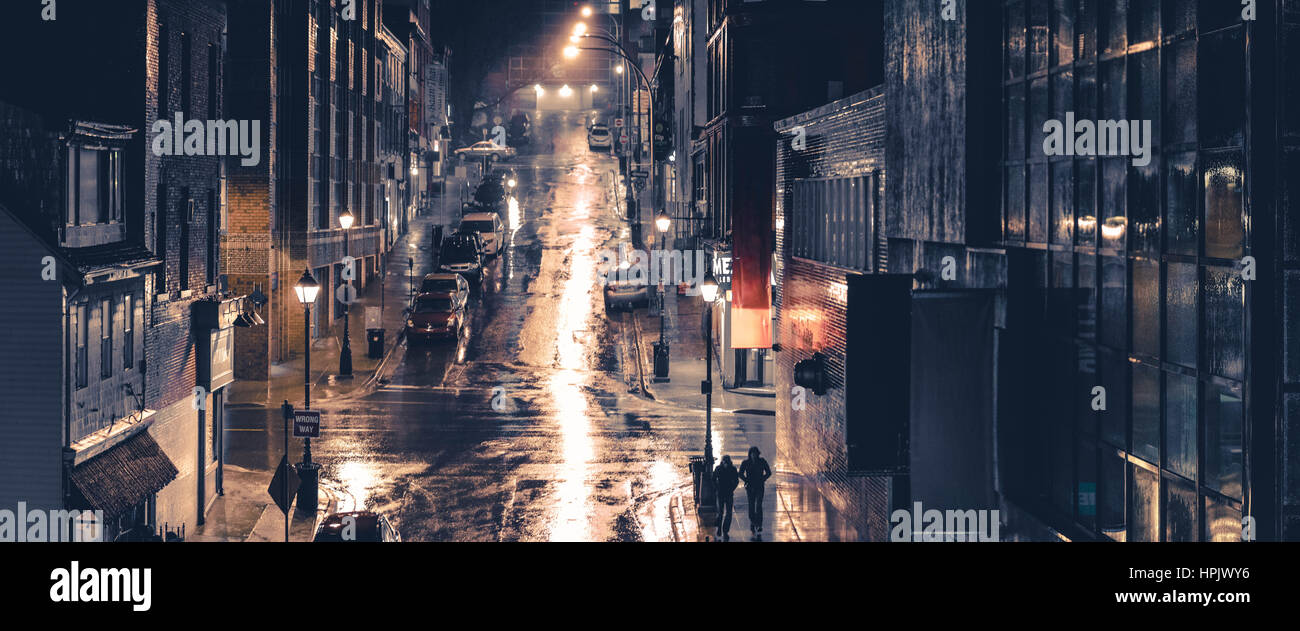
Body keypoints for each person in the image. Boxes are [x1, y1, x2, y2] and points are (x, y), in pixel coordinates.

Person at [738, 446, 772, 535]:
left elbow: (769, 472)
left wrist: (763, 479)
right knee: (751, 506)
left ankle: (759, 524)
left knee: (759, 505)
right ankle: (753, 521)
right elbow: (740, 473)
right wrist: (746, 480)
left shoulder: (762, 461)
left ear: (757, 454)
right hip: (750, 487)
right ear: (750, 454)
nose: (753, 455)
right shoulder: (746, 463)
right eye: (752, 454)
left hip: (759, 486)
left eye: (755, 454)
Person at [712, 455, 739, 540]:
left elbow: (736, 481)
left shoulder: (731, 469)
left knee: (728, 513)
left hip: (727, 493)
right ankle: (720, 528)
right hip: (721, 493)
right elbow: (713, 479)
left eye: (726, 462)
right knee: (721, 512)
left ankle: (724, 529)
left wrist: (732, 488)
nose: (725, 464)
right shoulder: (719, 468)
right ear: (722, 462)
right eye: (724, 462)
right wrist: (717, 488)